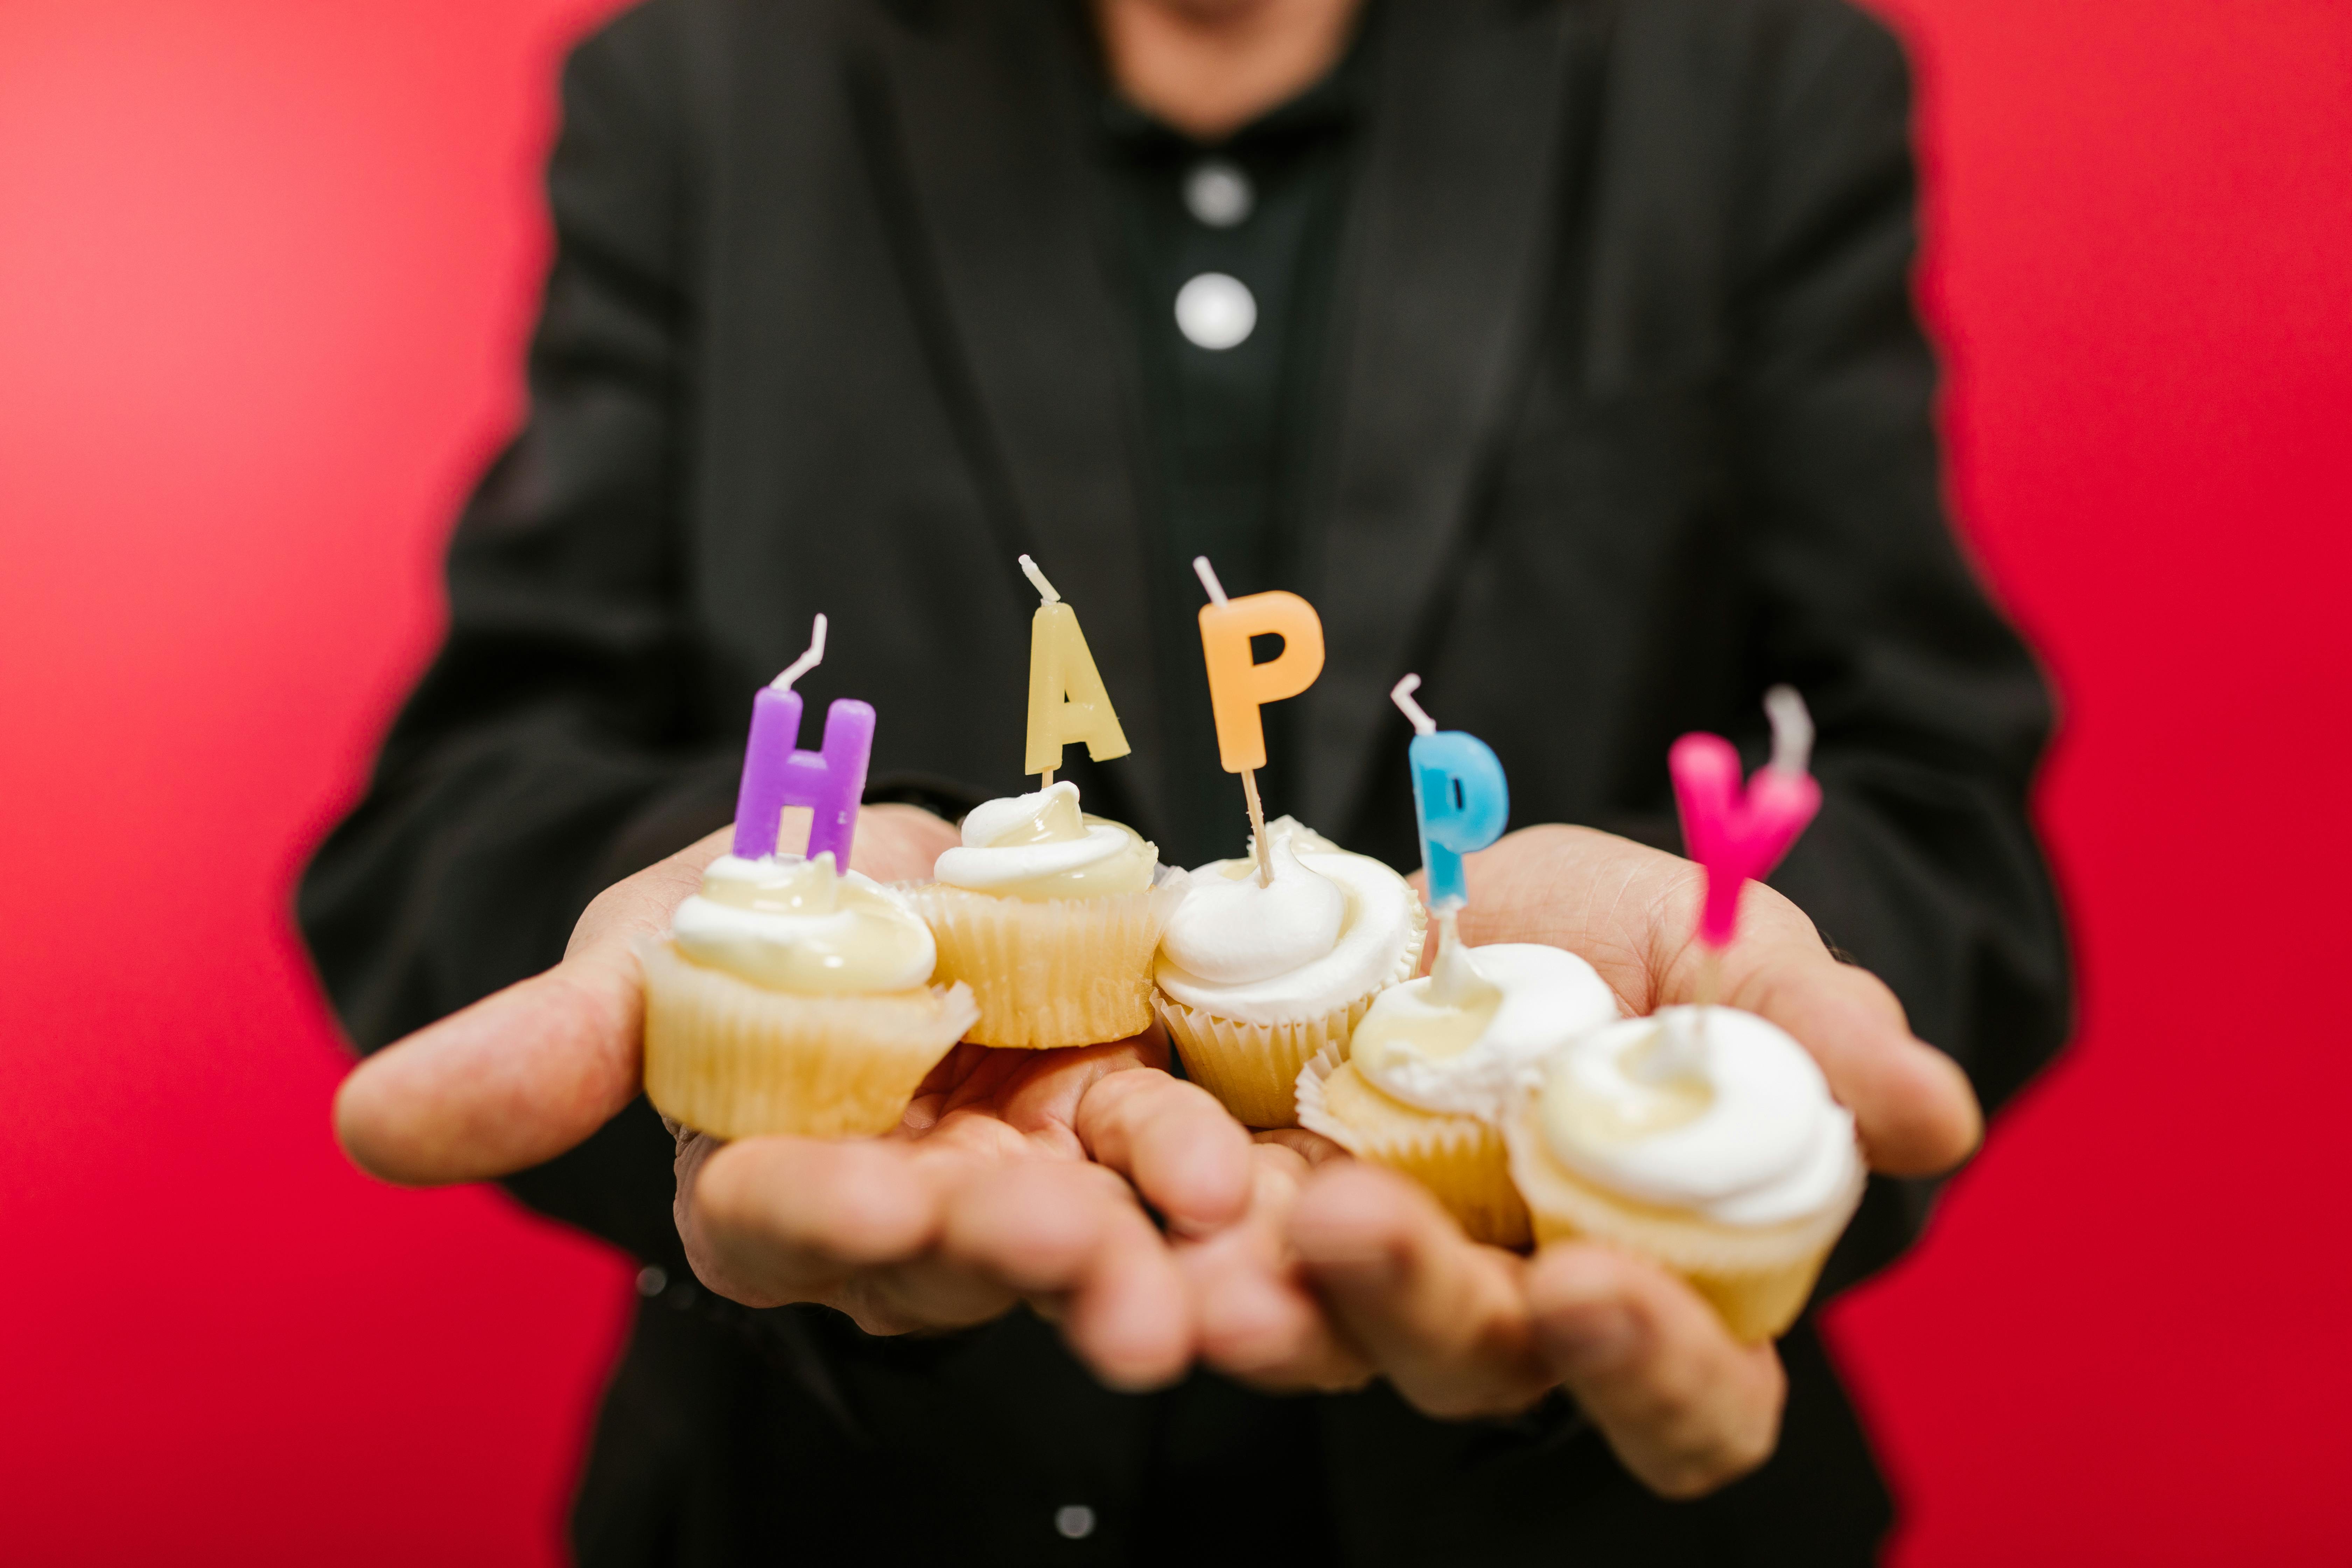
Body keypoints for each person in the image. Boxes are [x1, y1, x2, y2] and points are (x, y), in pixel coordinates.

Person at [299, 0, 2070, 1560]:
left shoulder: (1751, 73)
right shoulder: (701, 84)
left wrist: (1673, 1075)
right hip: (840, 1495)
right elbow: (475, 789)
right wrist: (750, 969)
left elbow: (1935, 805)